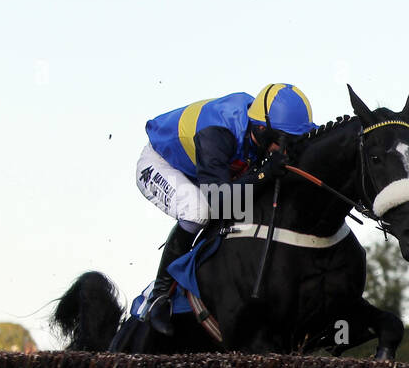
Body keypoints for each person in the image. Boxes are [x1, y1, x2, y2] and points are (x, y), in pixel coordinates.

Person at [135, 83, 317, 334]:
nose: (287, 149)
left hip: (210, 169)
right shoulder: (217, 133)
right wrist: (264, 173)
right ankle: (159, 296)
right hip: (163, 163)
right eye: (285, 141)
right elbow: (223, 203)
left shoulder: (271, 121)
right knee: (198, 212)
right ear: (262, 130)